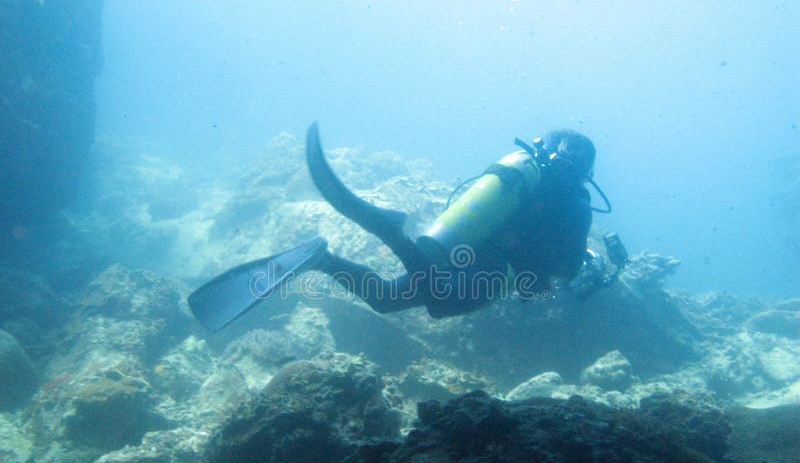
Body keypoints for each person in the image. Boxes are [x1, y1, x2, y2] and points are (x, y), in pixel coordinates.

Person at [189, 123, 624, 332]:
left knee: (384, 299)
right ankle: (391, 230)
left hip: (462, 247)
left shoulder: (527, 177)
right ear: (587, 171)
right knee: (439, 305)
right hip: (495, 269)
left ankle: (321, 259)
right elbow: (564, 268)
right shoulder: (578, 205)